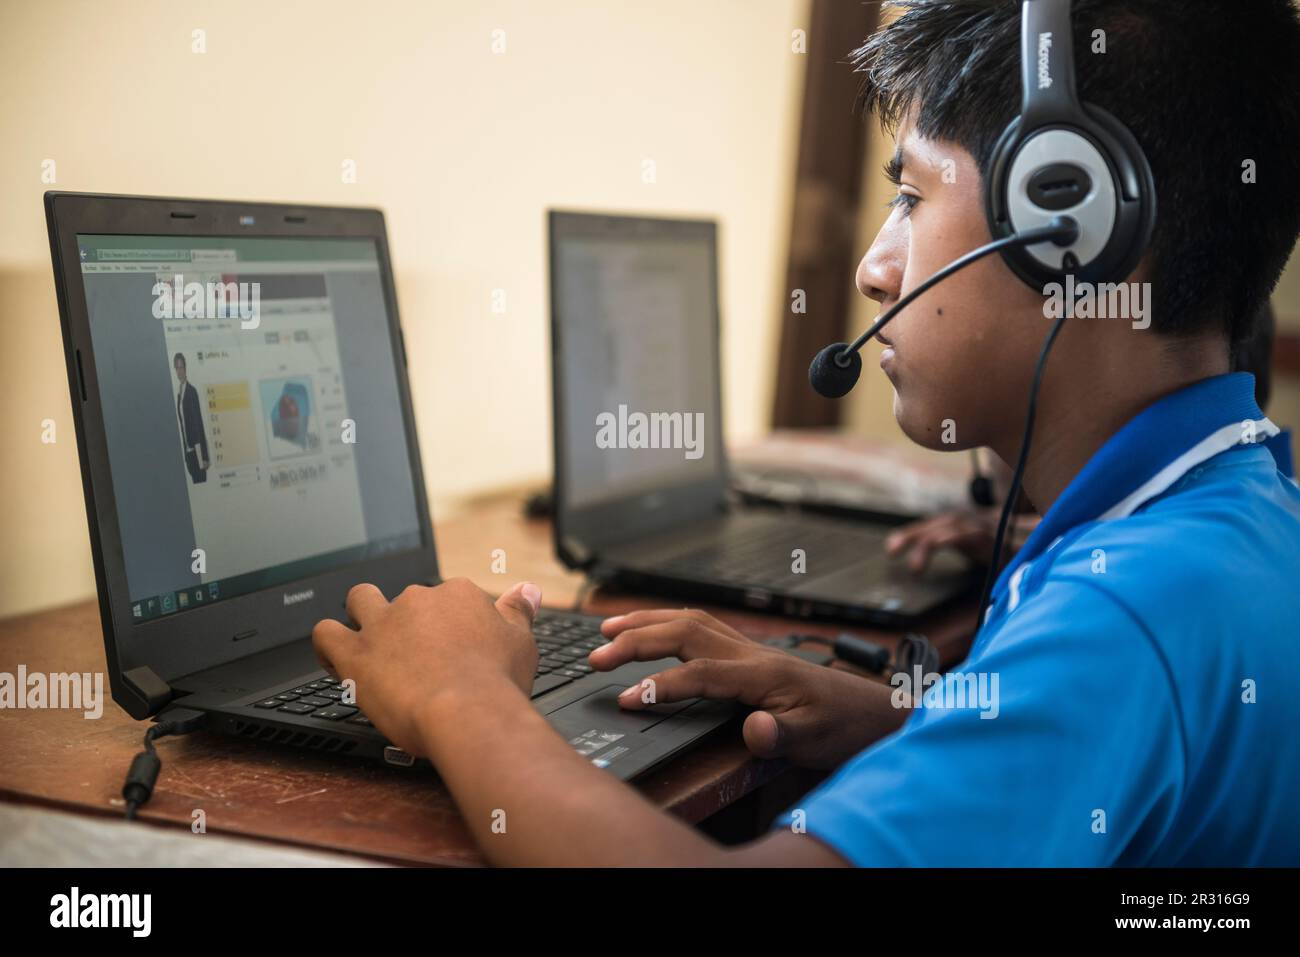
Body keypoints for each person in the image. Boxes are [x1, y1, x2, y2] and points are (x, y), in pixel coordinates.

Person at [311, 0, 1300, 865]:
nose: (875, 267)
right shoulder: (1228, 515)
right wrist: (903, 721)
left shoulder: (1127, 611)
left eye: (911, 196)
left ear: (1070, 229)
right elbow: (1100, 752)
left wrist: (456, 696)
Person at [174, 352, 210, 484]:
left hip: (197, 451)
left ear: (185, 368)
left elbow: (198, 423)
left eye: (181, 367)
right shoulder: (180, 394)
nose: (179, 371)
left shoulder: (191, 391)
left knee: (201, 482)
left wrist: (204, 456)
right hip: (188, 453)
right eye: (177, 368)